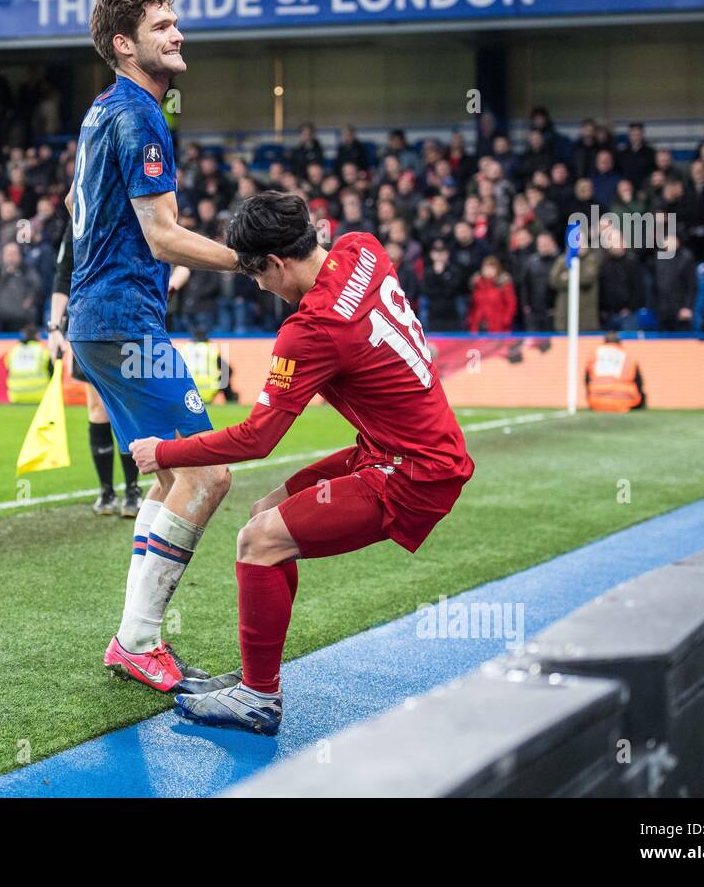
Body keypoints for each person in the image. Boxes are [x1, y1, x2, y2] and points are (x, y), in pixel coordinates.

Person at [130, 193, 475, 733]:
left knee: (258, 541)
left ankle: (258, 698)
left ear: (276, 264)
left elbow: (258, 437)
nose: (259, 287)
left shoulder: (310, 331)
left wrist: (164, 452)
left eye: (256, 275)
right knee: (266, 511)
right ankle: (256, 675)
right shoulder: (363, 247)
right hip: (392, 448)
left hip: (412, 471)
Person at [68, 0, 241, 693]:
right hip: (122, 319)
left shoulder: (104, 108)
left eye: (176, 23)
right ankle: (138, 640)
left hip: (98, 318)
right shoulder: (139, 113)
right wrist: (257, 262)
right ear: (123, 44)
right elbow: (163, 236)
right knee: (208, 472)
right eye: (161, 25)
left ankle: (134, 641)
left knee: (172, 473)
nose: (177, 34)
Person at [47, 230, 142, 518]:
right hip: (87, 323)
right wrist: (53, 327)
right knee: (98, 408)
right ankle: (107, 491)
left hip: (129, 321)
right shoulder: (76, 222)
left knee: (127, 408)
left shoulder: (128, 213)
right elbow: (64, 275)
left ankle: (133, 490)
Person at [583, 330, 645, 412]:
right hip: (624, 401)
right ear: (619, 342)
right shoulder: (626, 356)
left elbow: (587, 379)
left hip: (596, 400)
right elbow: (639, 381)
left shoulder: (595, 354)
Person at [178, 326, 236, 405]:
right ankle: (230, 401)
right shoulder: (211, 348)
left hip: (189, 389)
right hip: (210, 388)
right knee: (225, 376)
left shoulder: (185, 348)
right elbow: (229, 370)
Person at [4, 325, 52, 404]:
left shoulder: (13, 350)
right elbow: (53, 372)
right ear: (37, 335)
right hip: (40, 396)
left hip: (16, 396)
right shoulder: (42, 350)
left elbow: (8, 370)